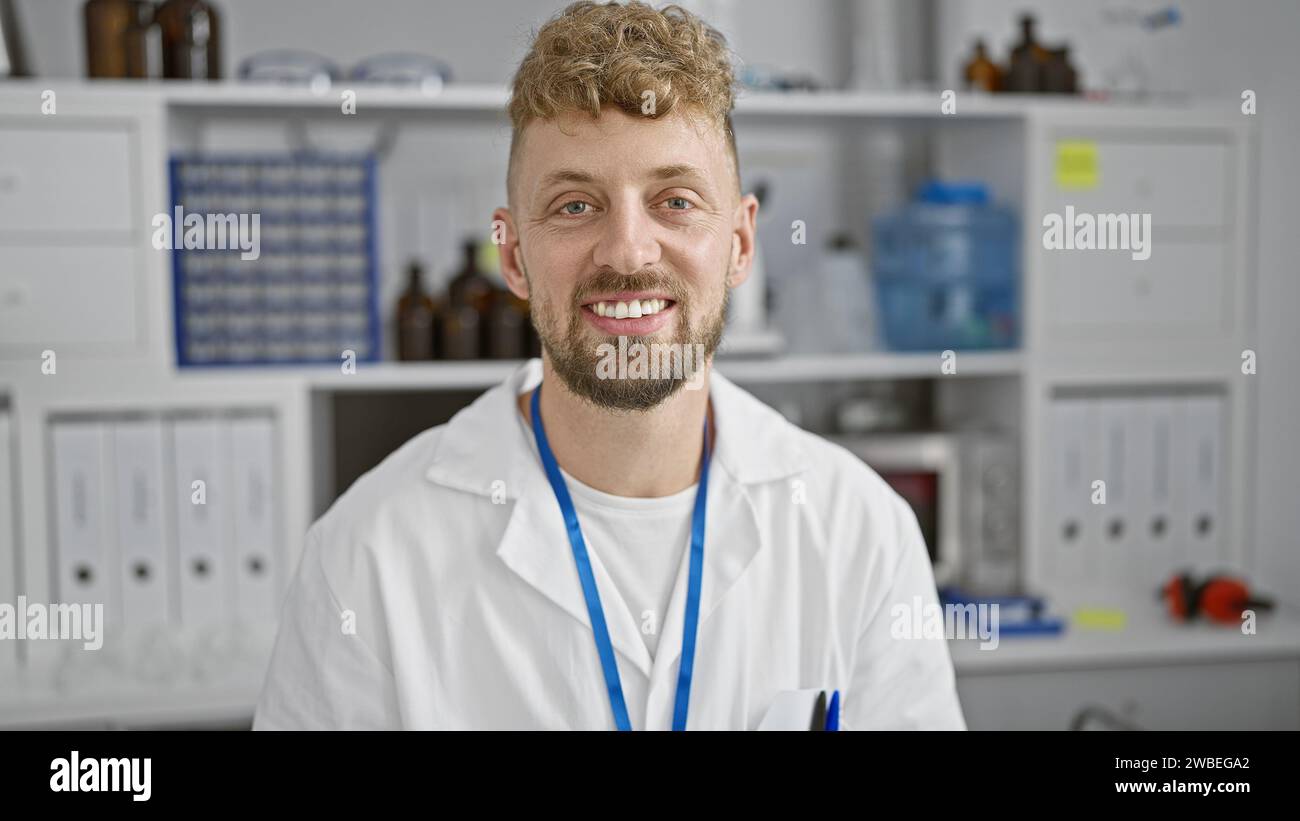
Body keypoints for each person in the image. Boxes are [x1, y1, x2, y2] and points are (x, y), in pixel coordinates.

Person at [254, 0, 965, 730]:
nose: (628, 251)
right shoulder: (365, 556)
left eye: (676, 200)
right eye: (574, 205)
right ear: (513, 257)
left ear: (741, 244)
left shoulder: (861, 532)